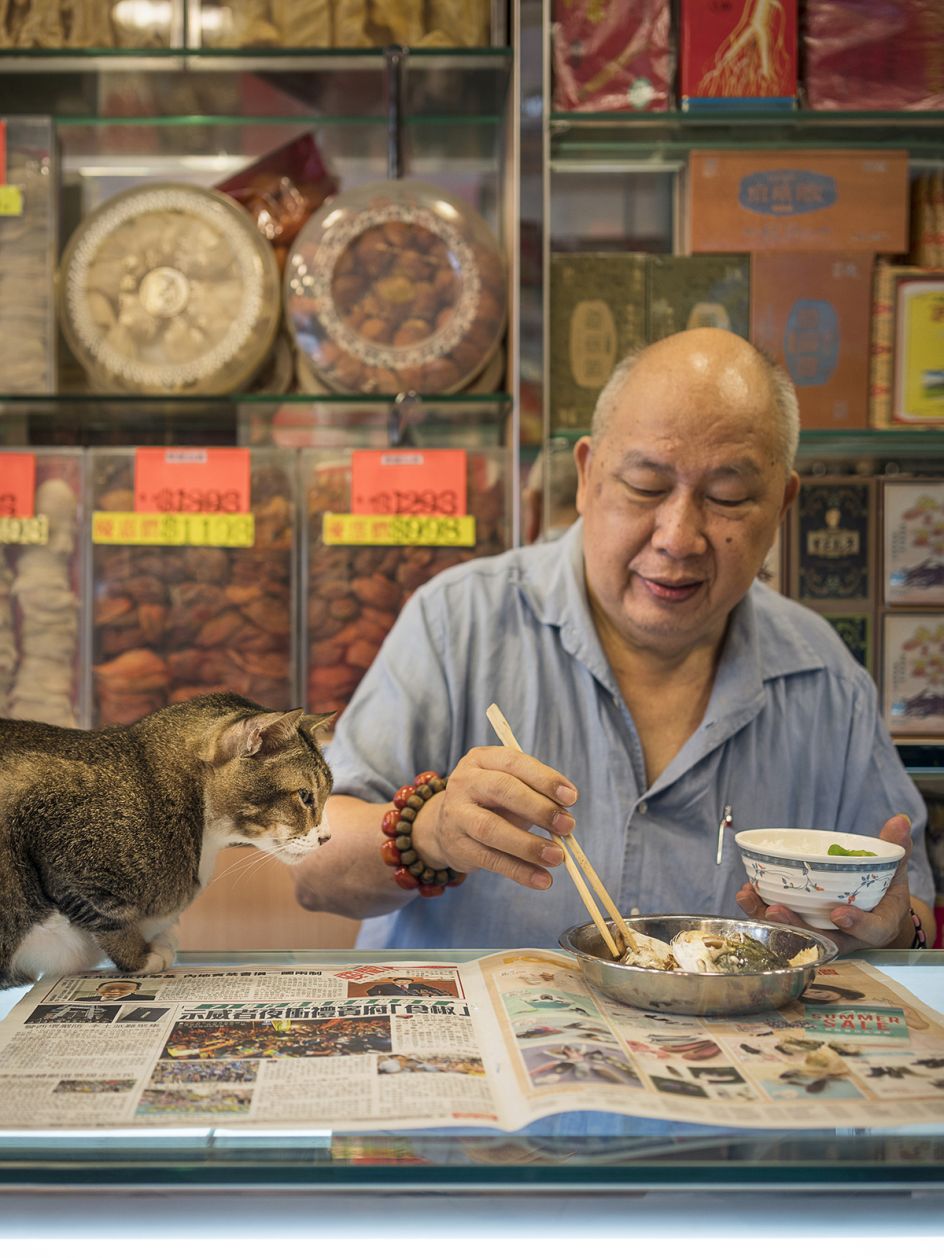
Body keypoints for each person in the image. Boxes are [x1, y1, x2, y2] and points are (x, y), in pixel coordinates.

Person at [294, 328, 936, 953]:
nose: (678, 537)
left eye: (728, 496)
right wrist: (429, 832)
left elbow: (913, 912)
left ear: (782, 506)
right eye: (646, 487)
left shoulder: (822, 676)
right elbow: (312, 865)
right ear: (587, 474)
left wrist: (893, 930)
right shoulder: (459, 621)